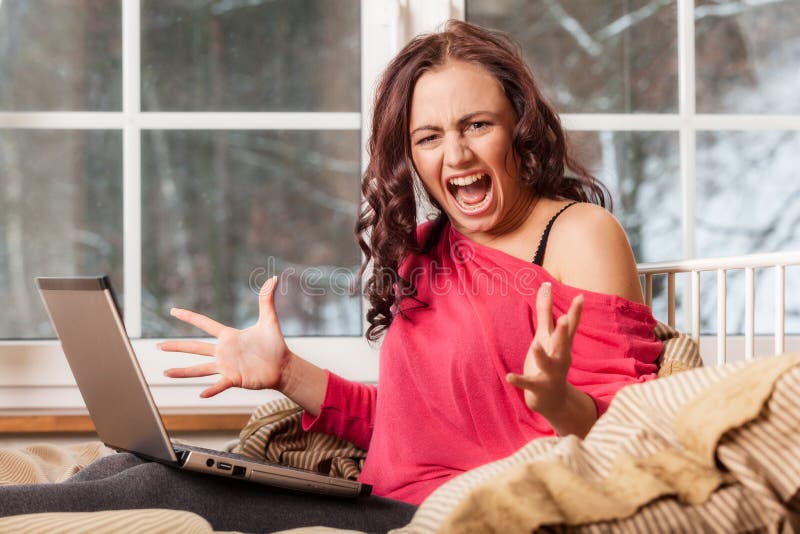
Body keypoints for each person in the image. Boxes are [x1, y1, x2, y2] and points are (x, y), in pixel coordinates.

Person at [0, 20, 660, 532]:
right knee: (128, 465)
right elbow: (406, 427)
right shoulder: (428, 249)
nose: (454, 153)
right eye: (428, 137)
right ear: (409, 155)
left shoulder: (576, 234)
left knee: (156, 491)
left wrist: (555, 399)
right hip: (377, 494)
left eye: (477, 125)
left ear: (520, 126)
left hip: (443, 514)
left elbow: (627, 432)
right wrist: (286, 371)